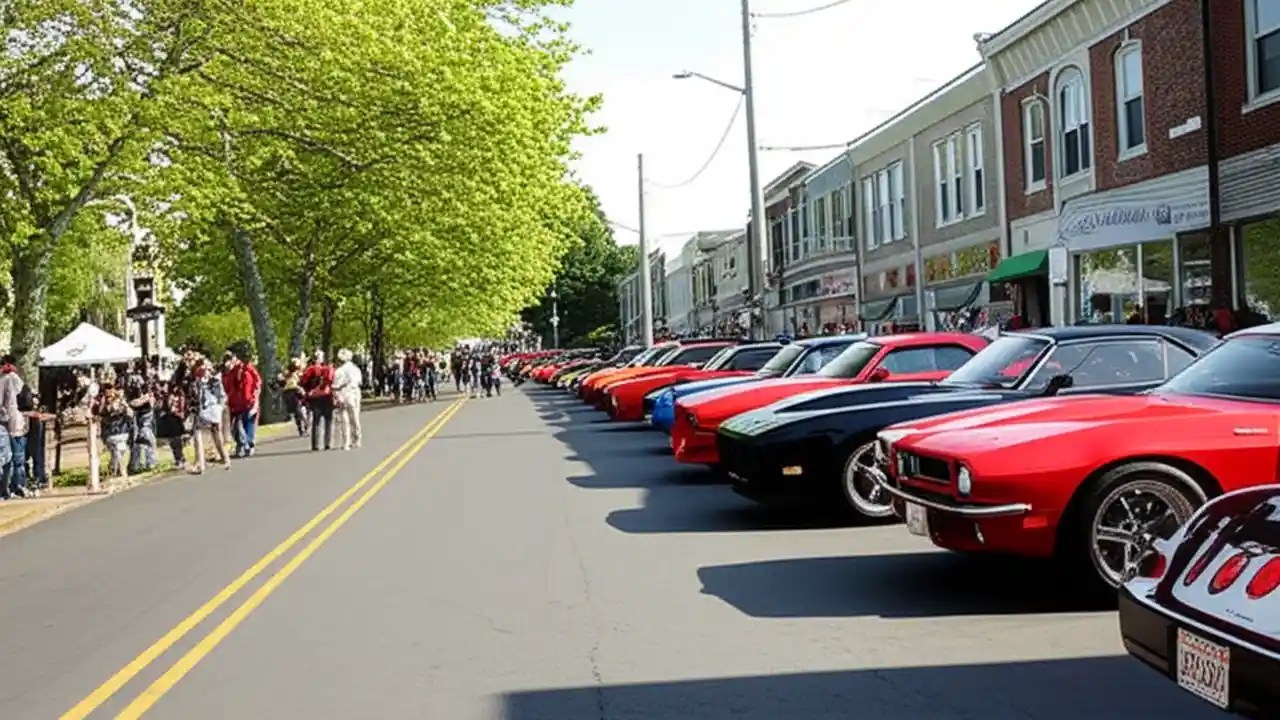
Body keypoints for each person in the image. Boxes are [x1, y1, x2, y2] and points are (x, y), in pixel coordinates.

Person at [190, 356, 231, 474]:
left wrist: (219, 407)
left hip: (211, 411)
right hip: (207, 411)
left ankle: (206, 461)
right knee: (206, 433)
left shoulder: (212, 381)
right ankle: (218, 460)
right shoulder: (200, 381)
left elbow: (221, 396)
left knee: (210, 433)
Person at [222, 349, 262, 458]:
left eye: (231, 359)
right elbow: (227, 387)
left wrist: (255, 397)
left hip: (249, 401)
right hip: (236, 404)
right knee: (236, 427)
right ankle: (243, 444)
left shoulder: (248, 369)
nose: (229, 361)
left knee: (248, 424)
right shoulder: (229, 373)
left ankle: (249, 445)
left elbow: (257, 382)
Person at [0, 356, 26, 498]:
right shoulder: (17, 379)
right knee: (17, 457)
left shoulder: (5, 380)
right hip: (19, 422)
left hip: (8, 423)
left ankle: (9, 488)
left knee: (8, 458)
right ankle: (19, 485)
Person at [301, 350, 335, 451]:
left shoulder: (309, 370)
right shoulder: (327, 369)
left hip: (315, 398)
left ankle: (315, 444)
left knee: (316, 421)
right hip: (326, 396)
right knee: (328, 420)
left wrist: (308, 392)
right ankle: (327, 443)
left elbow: (303, 382)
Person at [333, 348, 363, 451]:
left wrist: (337, 396)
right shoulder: (355, 369)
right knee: (354, 416)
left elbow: (335, 386)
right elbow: (359, 382)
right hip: (353, 393)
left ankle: (346, 441)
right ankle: (357, 438)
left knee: (344, 418)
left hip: (343, 393)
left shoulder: (338, 371)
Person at [280, 358, 308, 437]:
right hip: (292, 391)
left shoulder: (298, 373)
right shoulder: (288, 373)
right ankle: (303, 426)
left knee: (298, 410)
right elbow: (283, 378)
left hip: (296, 391)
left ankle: (303, 426)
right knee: (297, 410)